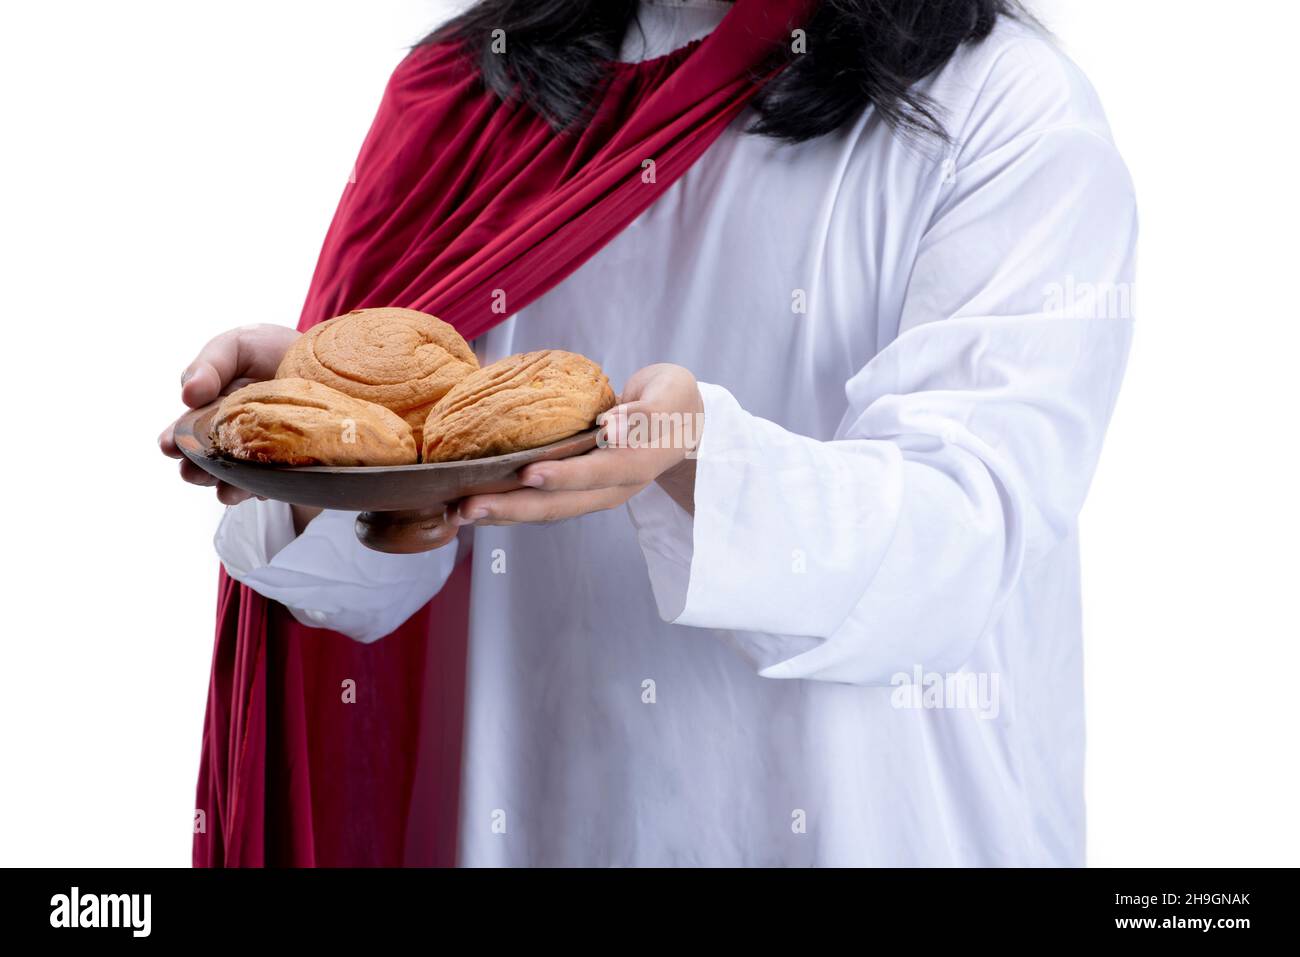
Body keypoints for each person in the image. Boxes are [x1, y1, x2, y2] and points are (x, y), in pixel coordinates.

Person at [160, 0, 1136, 866]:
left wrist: (700, 458)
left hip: (879, 828)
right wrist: (332, 437)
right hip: (536, 814)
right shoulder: (458, 98)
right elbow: (375, 583)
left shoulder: (1002, 105)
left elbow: (962, 542)